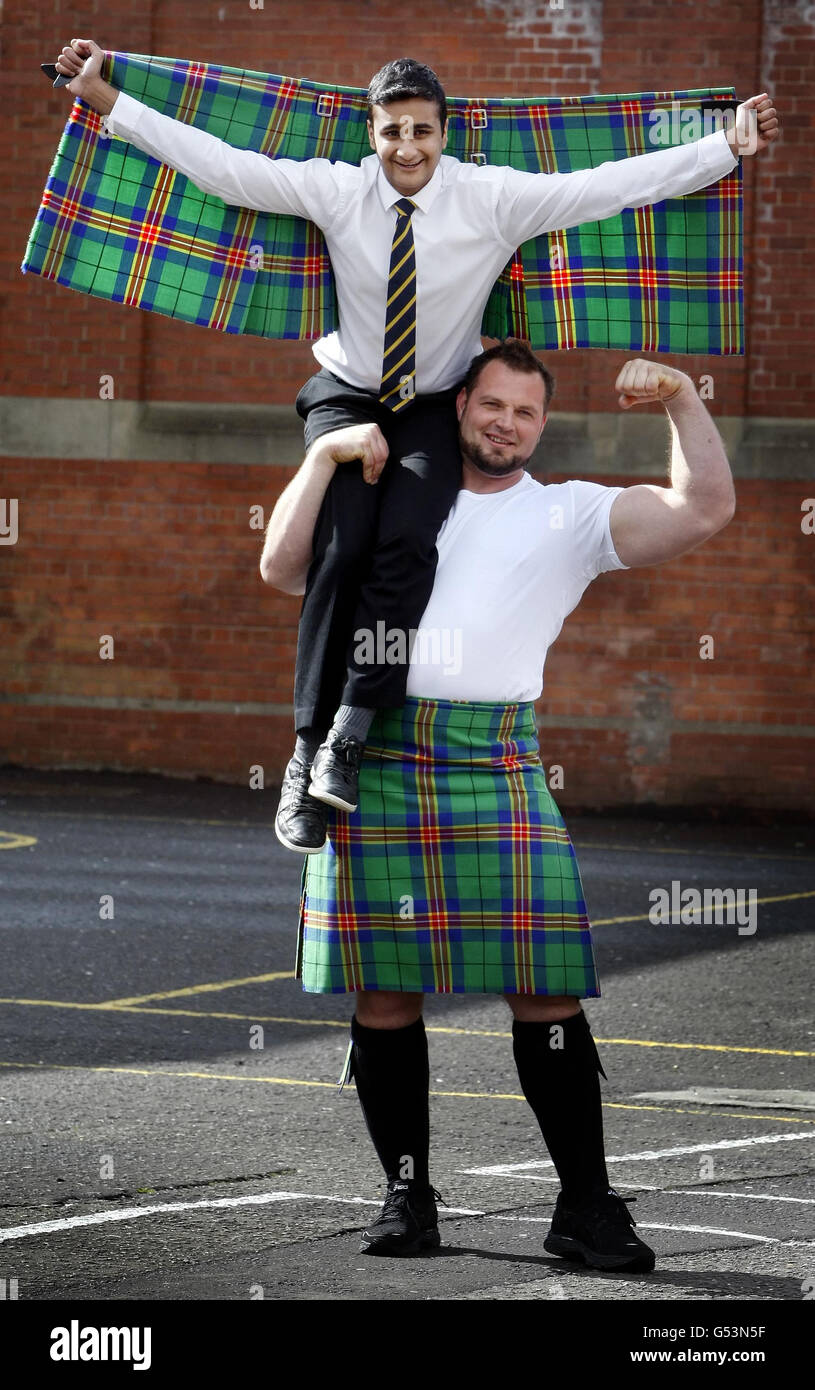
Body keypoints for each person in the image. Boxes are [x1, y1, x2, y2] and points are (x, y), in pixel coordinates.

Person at [53, 39, 778, 854]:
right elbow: (223, 168)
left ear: (443, 132)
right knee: (341, 550)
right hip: (348, 391)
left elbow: (603, 188)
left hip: (431, 400)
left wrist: (722, 145)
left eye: (422, 132)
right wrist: (109, 102)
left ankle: (351, 734)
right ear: (373, 131)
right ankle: (303, 753)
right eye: (392, 131)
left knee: (407, 543)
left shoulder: (492, 198)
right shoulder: (338, 189)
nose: (406, 148)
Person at [259, 340, 736, 1272]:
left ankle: (586, 1207)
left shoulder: (567, 513)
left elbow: (704, 508)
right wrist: (320, 458)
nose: (505, 423)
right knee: (387, 989)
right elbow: (282, 568)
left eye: (525, 411)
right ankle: (407, 1194)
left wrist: (681, 398)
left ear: (541, 425)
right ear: (459, 407)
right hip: (376, 758)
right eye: (491, 406)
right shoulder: (387, 492)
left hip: (496, 761)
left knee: (545, 986)